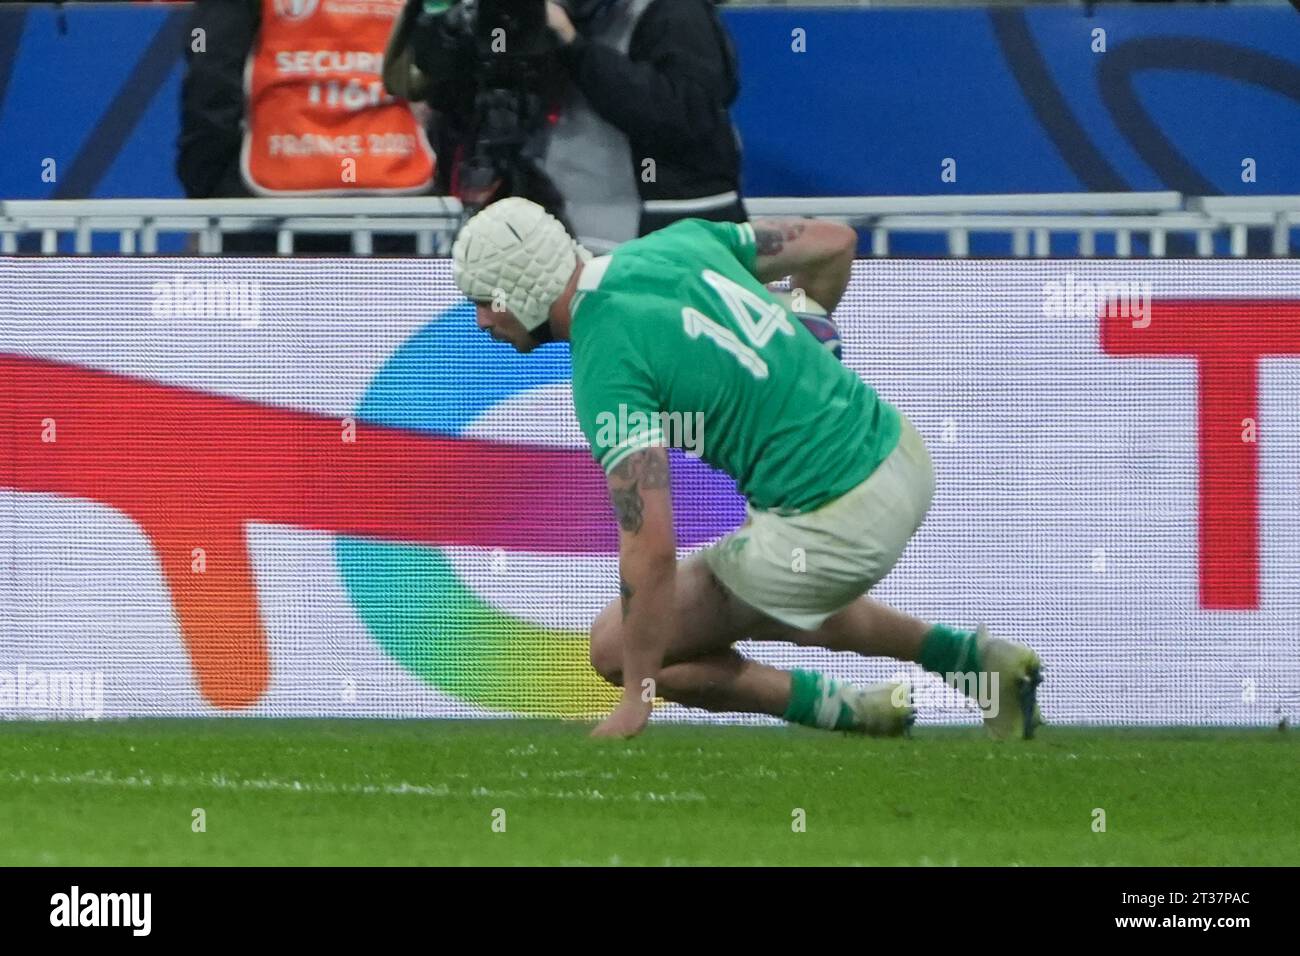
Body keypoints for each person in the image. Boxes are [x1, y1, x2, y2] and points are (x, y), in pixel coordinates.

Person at [451, 198, 1043, 740]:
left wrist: (636, 695)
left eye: (483, 301)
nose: (480, 322)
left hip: (836, 515)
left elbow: (651, 545)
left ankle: (846, 708)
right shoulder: (675, 244)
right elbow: (833, 241)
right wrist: (811, 321)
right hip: (898, 451)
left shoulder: (604, 360)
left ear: (520, 290)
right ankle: (972, 662)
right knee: (765, 588)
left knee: (617, 646)